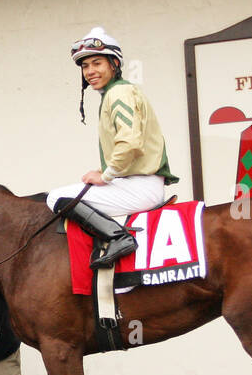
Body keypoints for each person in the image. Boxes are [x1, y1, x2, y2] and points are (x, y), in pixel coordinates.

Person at [45, 27, 178, 268]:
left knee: (57, 196)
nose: (90, 71)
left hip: (141, 186)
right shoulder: (118, 93)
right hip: (137, 182)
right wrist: (102, 169)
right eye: (85, 66)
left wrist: (106, 175)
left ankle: (118, 237)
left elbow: (129, 142)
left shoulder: (119, 93)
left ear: (114, 64)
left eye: (97, 63)